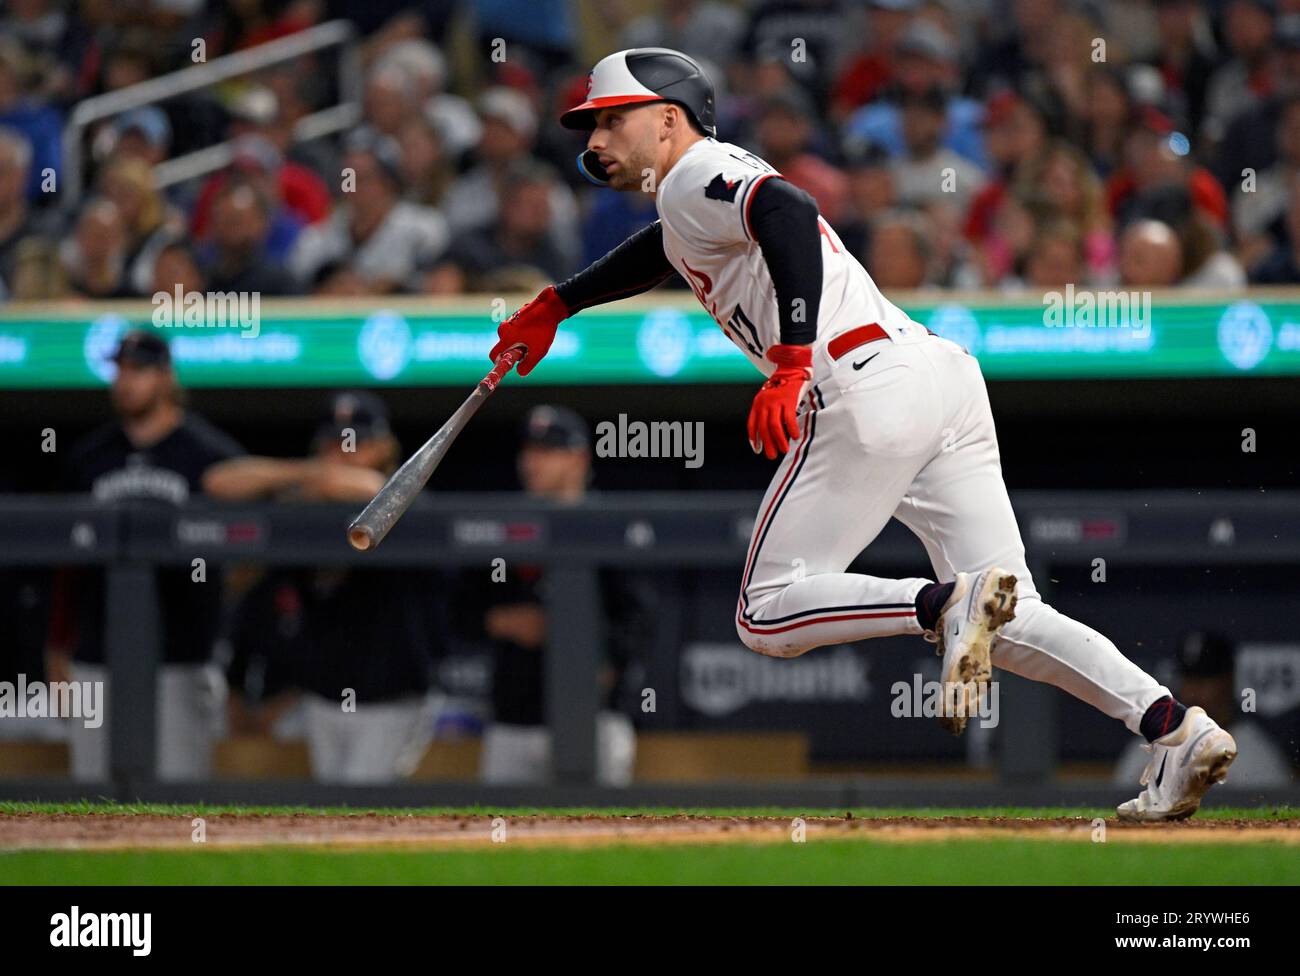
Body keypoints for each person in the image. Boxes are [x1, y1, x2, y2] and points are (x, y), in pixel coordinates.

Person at [489, 47, 1237, 821]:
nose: (597, 138)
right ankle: (1174, 728)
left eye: (614, 118)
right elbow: (671, 249)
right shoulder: (687, 199)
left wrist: (788, 361)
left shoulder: (690, 173)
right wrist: (562, 302)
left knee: (765, 611)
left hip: (858, 384)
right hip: (935, 378)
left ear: (669, 120)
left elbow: (787, 210)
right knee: (1010, 619)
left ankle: (940, 605)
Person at [209, 391, 442, 783]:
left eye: (355, 442)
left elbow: (369, 487)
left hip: (391, 700)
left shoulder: (406, 500)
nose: (343, 452)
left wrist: (325, 477)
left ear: (384, 447)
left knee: (360, 804)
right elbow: (220, 481)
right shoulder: (307, 506)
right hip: (322, 700)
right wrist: (305, 475)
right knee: (333, 810)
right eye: (334, 442)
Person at [50, 330, 246, 780]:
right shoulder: (90, 456)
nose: (124, 381)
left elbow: (250, 548)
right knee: (92, 795)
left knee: (179, 792)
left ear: (165, 377)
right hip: (96, 655)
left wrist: (223, 598)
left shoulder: (205, 452)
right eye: (118, 369)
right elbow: (65, 568)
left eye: (137, 370)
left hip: (179, 657)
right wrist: (57, 651)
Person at [456, 405, 649, 786]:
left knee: (596, 836)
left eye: (546, 452)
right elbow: (457, 613)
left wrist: (600, 656)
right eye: (528, 451)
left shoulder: (611, 528)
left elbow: (640, 620)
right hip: (514, 718)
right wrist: (504, 621)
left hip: (594, 717)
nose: (531, 463)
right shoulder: (502, 527)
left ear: (578, 458)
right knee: (498, 836)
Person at [1114, 632, 1292, 788]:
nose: (1193, 693)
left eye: (1204, 681)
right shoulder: (1148, 746)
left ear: (1228, 682)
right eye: (1188, 680)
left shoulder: (1255, 754)